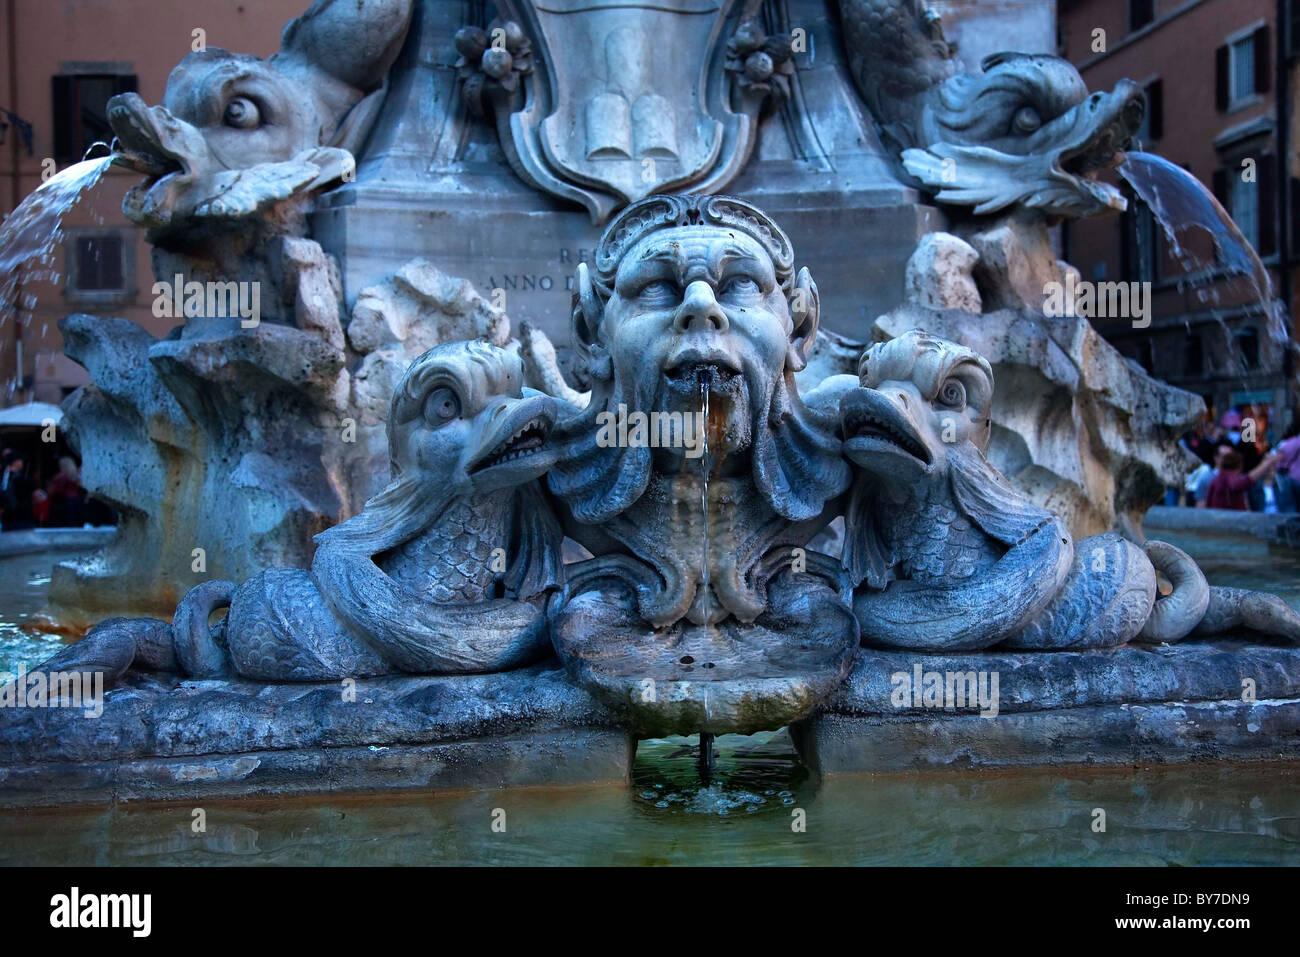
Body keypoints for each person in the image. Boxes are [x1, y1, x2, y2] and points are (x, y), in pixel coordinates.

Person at [1204, 449, 1276, 511]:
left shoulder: (1219, 479)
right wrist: (1266, 464)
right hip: (1226, 521)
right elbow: (1244, 483)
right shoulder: (1226, 478)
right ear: (1239, 466)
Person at [0, 450, 36, 531]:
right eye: (20, 460)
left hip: (11, 518)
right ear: (16, 462)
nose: (22, 463)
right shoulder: (15, 479)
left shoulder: (6, 477)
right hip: (19, 518)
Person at [47, 456, 88, 527]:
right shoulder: (77, 475)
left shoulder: (61, 477)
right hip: (77, 502)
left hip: (64, 503)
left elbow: (57, 491)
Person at [1273, 421, 1300, 513]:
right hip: (1294, 479)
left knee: (1289, 509)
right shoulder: (1295, 442)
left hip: (1292, 478)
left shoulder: (1292, 442)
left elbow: (1279, 458)